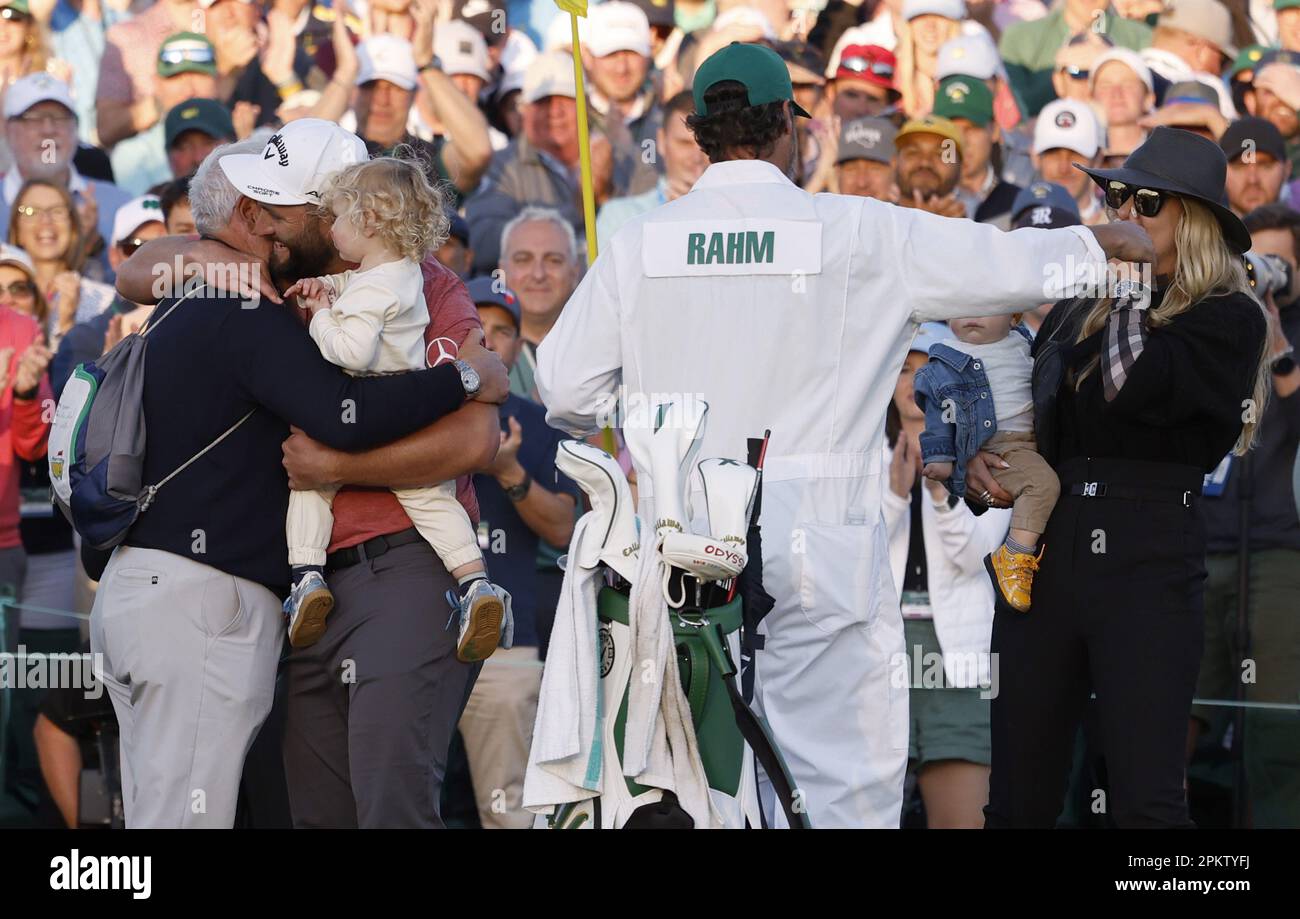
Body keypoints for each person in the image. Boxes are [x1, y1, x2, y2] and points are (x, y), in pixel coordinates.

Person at [535, 41, 1154, 829]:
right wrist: (1101, 248)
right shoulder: (856, 229)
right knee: (835, 788)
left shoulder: (638, 245)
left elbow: (563, 389)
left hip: (679, 534)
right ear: (788, 131)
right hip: (817, 532)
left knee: (695, 779)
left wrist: (653, 392)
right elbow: (999, 266)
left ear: (698, 134)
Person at [95, 128, 509, 828]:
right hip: (302, 588)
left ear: (352, 213)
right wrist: (201, 255)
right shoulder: (273, 267)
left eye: (283, 210)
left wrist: (345, 466)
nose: (262, 222)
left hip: (402, 562)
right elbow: (136, 272)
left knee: (388, 809)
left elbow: (474, 435)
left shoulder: (421, 281)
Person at [976, 126, 1270, 827]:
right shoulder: (1081, 309)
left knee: (1145, 797)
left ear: (1192, 220)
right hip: (1049, 546)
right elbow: (1035, 415)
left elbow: (1129, 382)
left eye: (1144, 200)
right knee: (1018, 794)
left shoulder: (1231, 317)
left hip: (1150, 551)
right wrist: (989, 461)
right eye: (1114, 195)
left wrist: (1129, 277)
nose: (1122, 212)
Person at [277, 156, 509, 661]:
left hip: (365, 401)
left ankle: (307, 577)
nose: (331, 228)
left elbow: (350, 350)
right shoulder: (402, 273)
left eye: (338, 216)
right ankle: (476, 585)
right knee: (431, 501)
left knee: (312, 488)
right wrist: (331, 288)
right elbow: (357, 289)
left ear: (370, 220)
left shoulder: (375, 287)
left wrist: (318, 315)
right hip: (411, 410)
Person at [1188, 201, 1300, 828]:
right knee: (1175, 709)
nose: (1264, 274)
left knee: (1274, 729)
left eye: (1279, 262)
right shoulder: (1219, 321)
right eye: (1255, 260)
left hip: (1279, 549)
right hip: (1203, 542)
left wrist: (1280, 350)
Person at [457, 275, 578, 829]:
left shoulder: (537, 421)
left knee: (510, 813)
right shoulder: (411, 402)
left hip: (505, 645)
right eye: (475, 327)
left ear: (517, 346)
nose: (488, 340)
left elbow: (563, 529)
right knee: (396, 801)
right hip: (411, 632)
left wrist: (509, 471)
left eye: (502, 332)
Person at [883, 323, 1009, 828]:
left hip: (956, 655)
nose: (915, 381)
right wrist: (895, 495)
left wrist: (939, 492)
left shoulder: (989, 451)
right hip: (879, 653)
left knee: (962, 819)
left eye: (929, 368)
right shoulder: (859, 450)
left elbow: (976, 553)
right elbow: (847, 558)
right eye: (905, 368)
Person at [915, 313, 1060, 612]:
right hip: (995, 446)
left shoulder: (1022, 342)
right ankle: (1015, 554)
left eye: (988, 308)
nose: (973, 317)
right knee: (1043, 485)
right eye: (963, 308)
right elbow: (938, 413)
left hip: (1031, 440)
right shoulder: (946, 357)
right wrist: (941, 457)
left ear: (1014, 316)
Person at [465, 51, 590, 275]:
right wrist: (578, 207)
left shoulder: (621, 157)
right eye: (544, 103)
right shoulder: (501, 166)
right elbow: (483, 244)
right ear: (526, 110)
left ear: (586, 106)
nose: (556, 112)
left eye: (567, 101)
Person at [3, 72, 131, 278]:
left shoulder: (121, 206)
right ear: (7, 129)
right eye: (33, 118)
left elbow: (139, 293)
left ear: (76, 127)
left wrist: (94, 247)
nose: (48, 130)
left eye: (60, 118)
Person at [7, 178, 115, 346]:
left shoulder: (104, 300)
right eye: (31, 211)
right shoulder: (5, 298)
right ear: (17, 230)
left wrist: (67, 325)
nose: (46, 221)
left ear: (73, 227)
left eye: (57, 211)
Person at [999, 0, 1151, 117]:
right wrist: (1060, 73)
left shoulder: (1140, 36)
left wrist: (1110, 60)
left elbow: (1155, 100)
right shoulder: (1020, 36)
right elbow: (1012, 109)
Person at [595, 90, 708, 248]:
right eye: (684, 144)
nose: (696, 156)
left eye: (705, 145)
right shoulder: (619, 217)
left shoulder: (734, 213)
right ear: (661, 141)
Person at [499, 206, 581, 400]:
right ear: (501, 271)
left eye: (554, 260)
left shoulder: (603, 346)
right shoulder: (482, 349)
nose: (538, 274)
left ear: (575, 272)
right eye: (523, 260)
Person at [585, 1, 662, 198]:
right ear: (588, 57)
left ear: (648, 54)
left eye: (631, 52)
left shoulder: (670, 118)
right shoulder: (567, 120)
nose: (622, 68)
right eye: (610, 54)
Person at [932, 75, 1019, 228]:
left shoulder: (1018, 203)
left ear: (994, 131)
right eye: (949, 129)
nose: (961, 141)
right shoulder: (918, 200)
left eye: (971, 128)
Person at [1033, 98, 1106, 226]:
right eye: (1053, 153)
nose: (1063, 168)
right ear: (1037, 159)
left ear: (1097, 159)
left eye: (1075, 154)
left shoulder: (1120, 227)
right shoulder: (1014, 228)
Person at [893, 114, 966, 218]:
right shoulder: (872, 221)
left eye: (940, 154)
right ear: (894, 162)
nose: (925, 162)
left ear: (961, 168)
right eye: (913, 152)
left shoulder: (984, 226)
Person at [1089, 49, 1156, 163]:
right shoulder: (1078, 157)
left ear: (1148, 98)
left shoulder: (1166, 154)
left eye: (1128, 85)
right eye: (1105, 86)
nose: (1116, 94)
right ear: (1091, 98)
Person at [1221, 116, 1290, 217]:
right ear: (1220, 171)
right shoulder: (1199, 231)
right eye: (1240, 166)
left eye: (1265, 165)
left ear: (1287, 170)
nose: (1252, 179)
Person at [835, 115, 897, 200]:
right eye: (851, 169)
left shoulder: (916, 212)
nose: (862, 183)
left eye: (874, 168)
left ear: (896, 169)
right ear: (838, 173)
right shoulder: (820, 211)